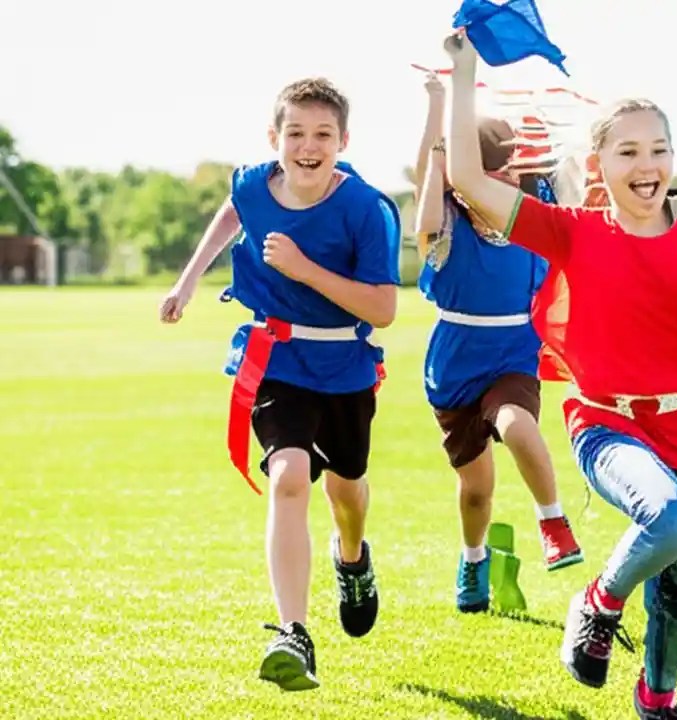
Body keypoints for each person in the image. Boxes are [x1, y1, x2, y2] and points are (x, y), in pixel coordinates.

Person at [443, 29, 677, 720]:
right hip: (607, 422)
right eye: (627, 151)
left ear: (673, 160)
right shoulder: (575, 231)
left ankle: (658, 700)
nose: (646, 164)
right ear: (599, 162)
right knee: (668, 518)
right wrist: (463, 74)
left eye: (658, 149)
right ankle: (597, 604)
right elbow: (468, 181)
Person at [159, 77, 401, 691]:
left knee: (348, 491)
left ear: (344, 141)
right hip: (276, 359)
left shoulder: (365, 209)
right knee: (289, 477)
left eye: (323, 134)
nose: (308, 146)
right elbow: (232, 210)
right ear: (275, 138)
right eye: (296, 133)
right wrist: (188, 281)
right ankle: (294, 632)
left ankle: (354, 560)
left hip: (344, 365)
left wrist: (302, 268)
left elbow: (382, 309)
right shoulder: (252, 182)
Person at [411, 70, 583, 614]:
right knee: (476, 489)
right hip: (456, 364)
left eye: (513, 171)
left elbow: (574, 181)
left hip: (514, 354)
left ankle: (552, 520)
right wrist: (438, 114)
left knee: (517, 422)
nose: (506, 180)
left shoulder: (534, 218)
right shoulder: (447, 225)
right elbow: (425, 185)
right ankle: (474, 557)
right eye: (493, 171)